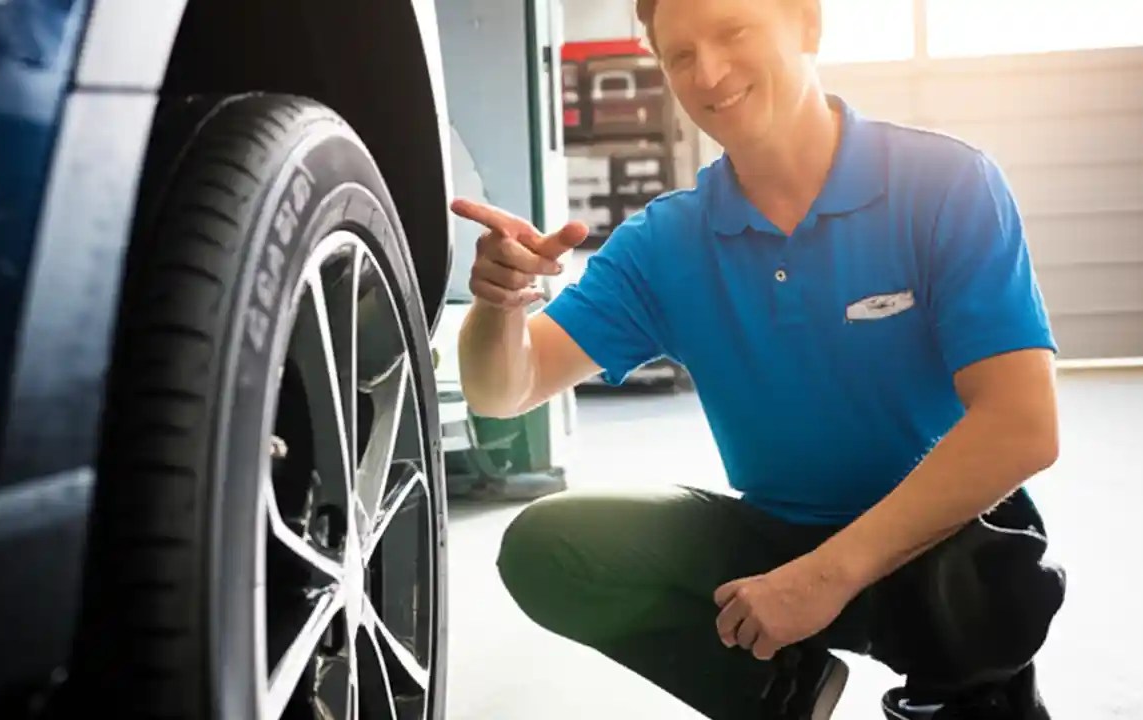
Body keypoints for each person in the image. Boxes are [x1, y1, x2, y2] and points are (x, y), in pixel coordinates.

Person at [451, 0, 1067, 717]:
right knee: (548, 547)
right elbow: (503, 390)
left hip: (939, 544)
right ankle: (782, 692)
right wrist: (500, 305)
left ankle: (968, 697)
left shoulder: (944, 184)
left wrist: (825, 577)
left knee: (987, 580)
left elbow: (1023, 425)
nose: (708, 73)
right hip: (776, 537)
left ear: (807, 25)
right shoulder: (666, 244)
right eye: (679, 56)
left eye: (733, 33)